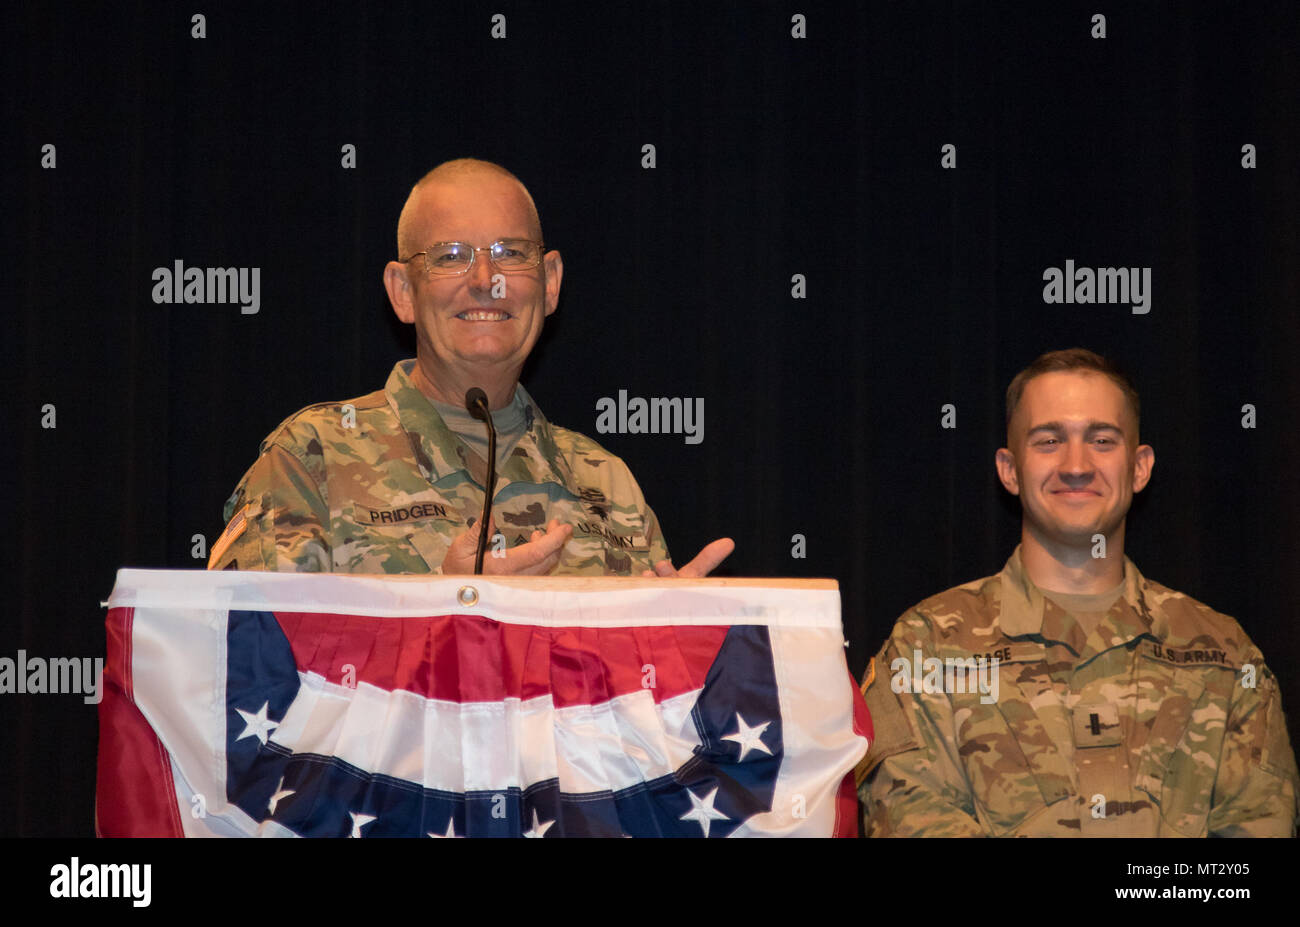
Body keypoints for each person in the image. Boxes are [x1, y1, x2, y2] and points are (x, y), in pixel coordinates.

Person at [208, 158, 733, 577]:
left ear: (549, 283)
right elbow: (252, 672)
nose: (486, 279)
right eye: (450, 256)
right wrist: (446, 608)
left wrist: (672, 642)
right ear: (402, 292)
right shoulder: (310, 458)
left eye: (510, 252)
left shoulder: (608, 483)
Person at [857, 348, 1299, 836]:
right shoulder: (927, 647)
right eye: (1048, 440)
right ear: (1009, 469)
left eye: (1102, 440)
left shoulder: (1224, 654)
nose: (1075, 465)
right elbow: (910, 823)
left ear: (1139, 467)